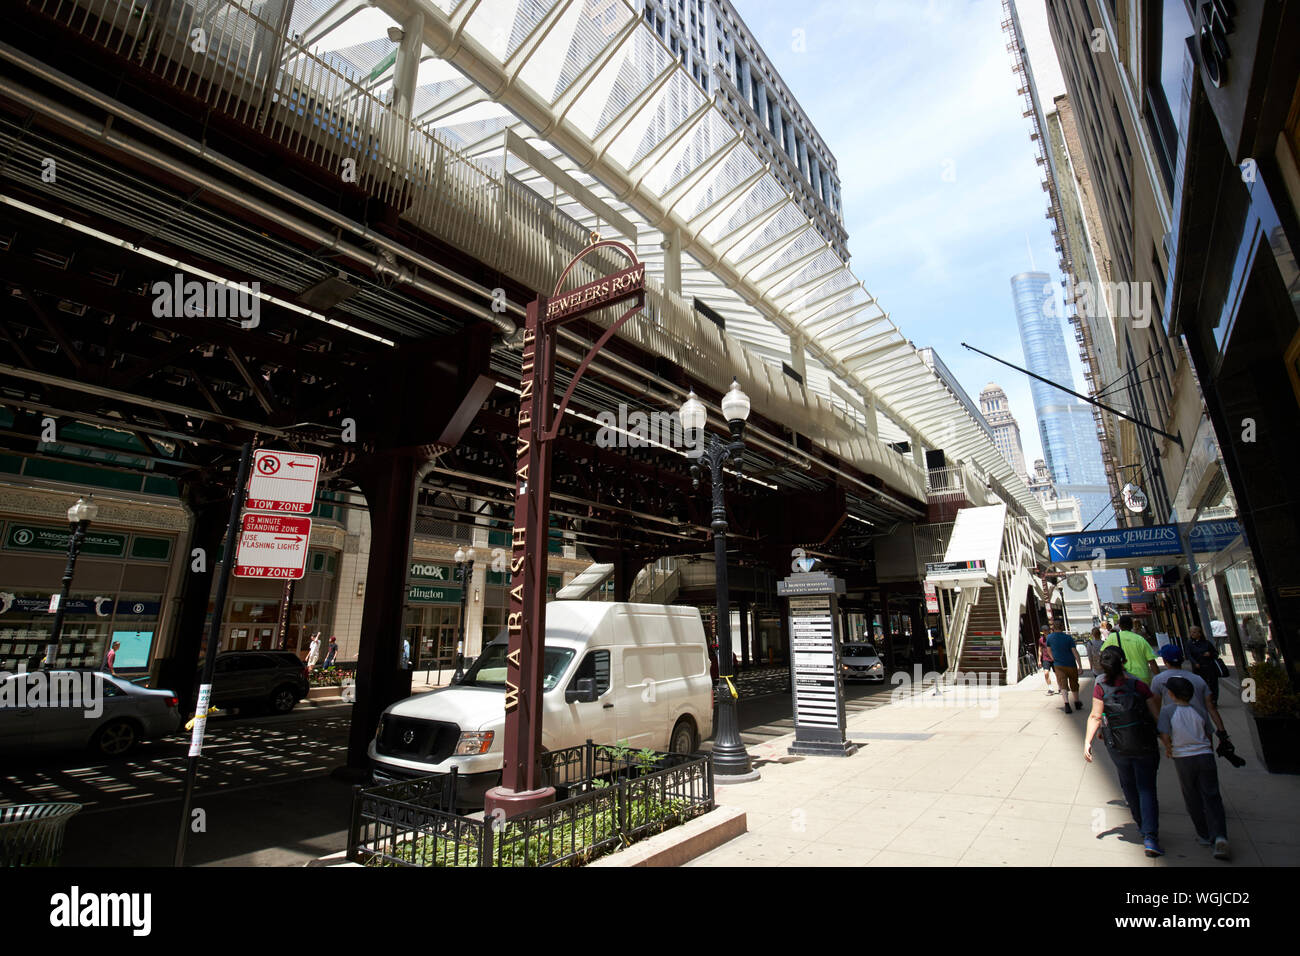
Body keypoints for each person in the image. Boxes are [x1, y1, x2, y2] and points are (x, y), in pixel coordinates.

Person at [1085, 646, 1163, 857]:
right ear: (1124, 661)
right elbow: (1157, 715)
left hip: (1117, 744)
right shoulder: (1138, 684)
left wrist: (1087, 741)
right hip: (1144, 742)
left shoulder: (1100, 685)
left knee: (1128, 784)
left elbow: (1095, 716)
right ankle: (1150, 836)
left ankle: (1141, 824)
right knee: (1147, 788)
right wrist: (1167, 740)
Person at [1157, 676, 1231, 860]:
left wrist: (1168, 748)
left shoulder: (1167, 711)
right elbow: (1208, 733)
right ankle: (1220, 836)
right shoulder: (1200, 709)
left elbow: (1165, 735)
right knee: (1212, 795)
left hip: (1183, 758)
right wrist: (1209, 750)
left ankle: (1204, 834)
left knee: (1192, 795)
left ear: (1171, 694)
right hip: (1204, 754)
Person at [1150, 644, 1229, 742]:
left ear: (1164, 661)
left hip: (1178, 731)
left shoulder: (1158, 680)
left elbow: (1155, 709)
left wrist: (1162, 733)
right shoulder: (1198, 679)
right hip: (1202, 729)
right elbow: (1211, 708)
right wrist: (1222, 731)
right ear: (1182, 659)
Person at [1102, 614, 1158, 683]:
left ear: (1119, 626)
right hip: (1142, 678)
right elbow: (1152, 662)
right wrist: (1158, 678)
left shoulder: (1112, 637)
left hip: (1124, 677)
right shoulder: (1140, 639)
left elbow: (1103, 654)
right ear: (1132, 626)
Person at [1045, 620, 1083, 713]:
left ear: (1053, 627)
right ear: (1062, 627)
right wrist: (1080, 666)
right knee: (1074, 682)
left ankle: (1066, 704)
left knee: (1063, 684)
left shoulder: (1049, 637)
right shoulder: (1068, 638)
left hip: (1058, 664)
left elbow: (1048, 650)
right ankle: (1077, 702)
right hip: (1070, 663)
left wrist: (1053, 658)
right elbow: (1074, 652)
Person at [1185, 626, 1222, 703]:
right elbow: (1188, 655)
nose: (1192, 634)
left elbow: (1216, 653)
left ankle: (1214, 700)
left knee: (1213, 684)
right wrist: (1195, 663)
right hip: (1198, 668)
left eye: (1194, 632)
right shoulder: (1189, 643)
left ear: (1200, 633)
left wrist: (1210, 654)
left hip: (1210, 666)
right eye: (1191, 632)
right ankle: (1204, 700)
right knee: (1201, 684)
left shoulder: (1207, 643)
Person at [1038, 628, 1056, 695]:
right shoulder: (1041, 640)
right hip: (1045, 658)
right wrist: (1039, 660)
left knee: (1057, 674)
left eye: (1046, 630)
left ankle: (1060, 687)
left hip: (1054, 658)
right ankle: (1050, 688)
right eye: (1044, 631)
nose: (1045, 632)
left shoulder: (1053, 638)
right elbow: (1039, 650)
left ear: (1049, 631)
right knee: (1046, 673)